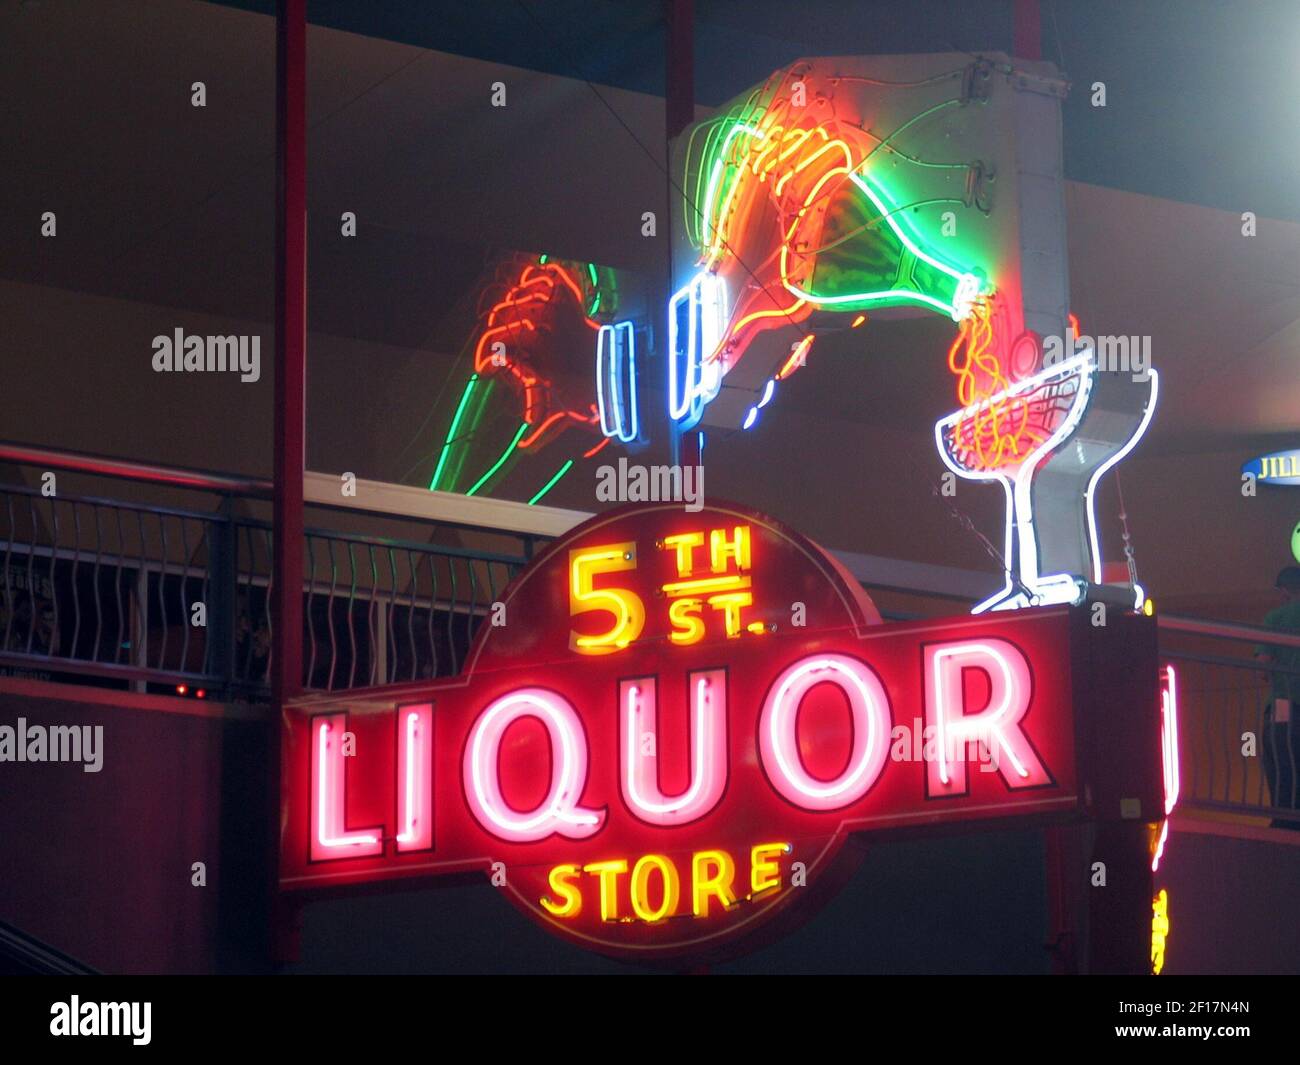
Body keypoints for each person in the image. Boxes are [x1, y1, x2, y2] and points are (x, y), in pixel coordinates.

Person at [1255, 566, 1300, 828]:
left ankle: (1286, 825)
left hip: (1284, 708)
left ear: (1283, 591)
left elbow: (1263, 665)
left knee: (1284, 769)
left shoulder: (1274, 618)